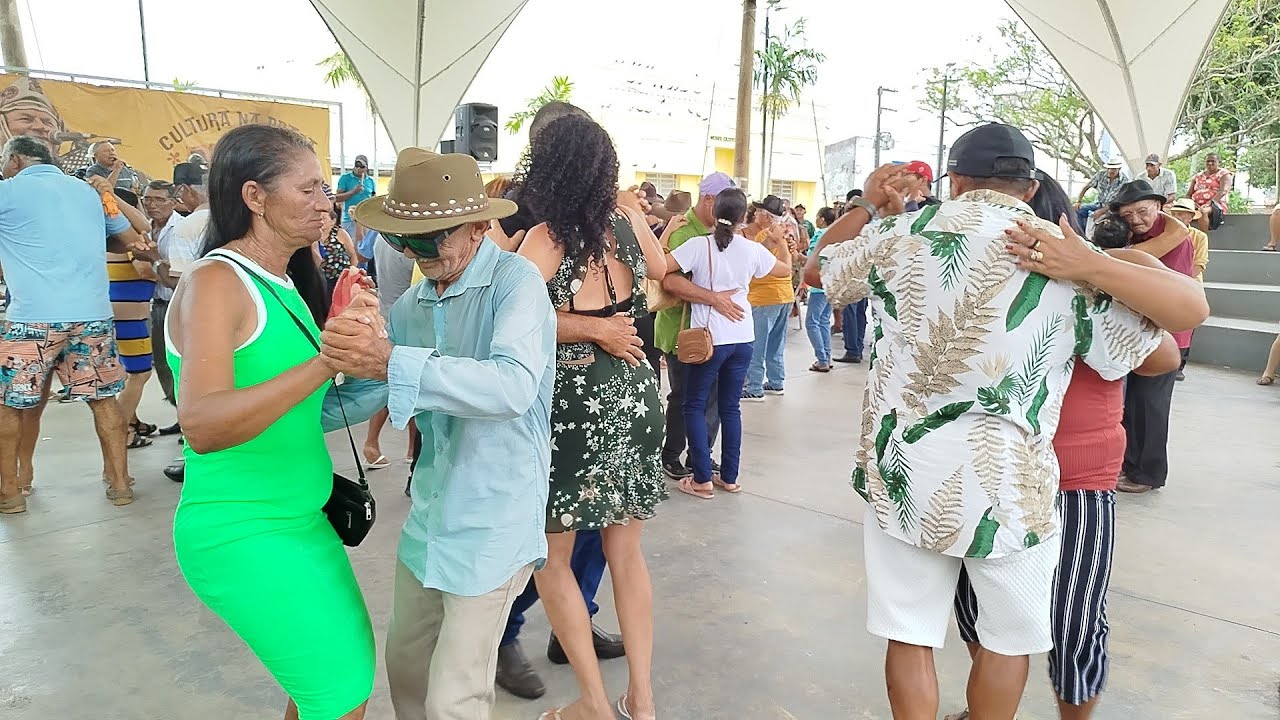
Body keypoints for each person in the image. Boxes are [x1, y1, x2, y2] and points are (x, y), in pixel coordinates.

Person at [807, 123, 1169, 720]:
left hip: (904, 470)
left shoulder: (901, 233)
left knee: (909, 632)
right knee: (1008, 640)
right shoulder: (1065, 257)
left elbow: (819, 271)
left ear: (954, 181)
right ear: (1031, 187)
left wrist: (870, 206)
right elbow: (1145, 354)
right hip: (1011, 479)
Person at [945, 174, 1206, 720]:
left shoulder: (1111, 267)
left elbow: (1166, 353)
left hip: (1073, 474)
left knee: (1073, 618)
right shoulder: (974, 268)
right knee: (980, 608)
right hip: (996, 465)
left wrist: (1089, 279)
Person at [314, 146, 556, 720]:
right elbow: (367, 392)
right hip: (430, 517)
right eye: (401, 240)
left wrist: (390, 360)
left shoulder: (516, 285)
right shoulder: (413, 304)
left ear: (477, 227)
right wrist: (315, 377)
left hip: (494, 517)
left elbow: (512, 387)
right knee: (406, 667)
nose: (412, 254)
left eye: (426, 241)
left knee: (455, 698)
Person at [166, 124, 376, 720]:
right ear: (255, 197)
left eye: (324, 188)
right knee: (339, 694)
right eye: (308, 189)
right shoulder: (216, 281)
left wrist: (360, 346)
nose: (326, 201)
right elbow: (202, 425)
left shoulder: (281, 281)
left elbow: (302, 406)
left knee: (328, 688)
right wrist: (326, 361)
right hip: (245, 530)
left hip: (301, 520)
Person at [515, 114, 668, 720]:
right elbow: (660, 273)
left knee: (553, 559)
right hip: (635, 391)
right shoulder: (627, 222)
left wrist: (586, 327)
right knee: (626, 554)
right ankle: (642, 697)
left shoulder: (544, 238)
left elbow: (518, 320)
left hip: (573, 406)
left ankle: (595, 704)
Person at [491, 102, 629, 703]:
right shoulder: (519, 213)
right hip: (546, 397)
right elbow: (506, 314)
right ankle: (503, 634)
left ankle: (574, 623)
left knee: (596, 528)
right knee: (544, 537)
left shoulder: (605, 213)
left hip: (610, 400)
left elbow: (649, 279)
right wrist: (595, 329)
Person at [0, 135, 147, 514]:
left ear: (15, 160)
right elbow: (127, 239)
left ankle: (10, 493)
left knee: (10, 403)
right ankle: (119, 484)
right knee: (103, 400)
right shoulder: (89, 192)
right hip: (92, 315)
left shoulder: (7, 192)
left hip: (31, 320)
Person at [663, 187, 791, 499]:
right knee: (730, 408)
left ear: (714, 210)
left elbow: (659, 268)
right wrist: (781, 242)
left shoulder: (698, 246)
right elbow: (785, 270)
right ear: (744, 216)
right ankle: (730, 477)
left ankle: (702, 479)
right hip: (743, 337)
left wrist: (667, 232)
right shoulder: (751, 249)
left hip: (710, 339)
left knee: (694, 405)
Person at [1110, 180, 1198, 492]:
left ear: (1159, 206)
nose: (1136, 219)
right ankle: (1130, 465)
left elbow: (1165, 289)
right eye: (1128, 214)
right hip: (1139, 332)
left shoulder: (1174, 240)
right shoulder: (1137, 235)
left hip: (1166, 333)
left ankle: (1147, 474)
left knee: (1151, 405)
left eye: (1142, 211)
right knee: (1133, 403)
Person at [653, 172, 735, 480]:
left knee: (712, 397)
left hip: (716, 332)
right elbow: (669, 281)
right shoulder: (684, 232)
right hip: (683, 330)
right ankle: (671, 453)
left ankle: (700, 456)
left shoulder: (723, 232)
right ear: (709, 200)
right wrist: (713, 297)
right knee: (685, 396)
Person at [160, 161, 213, 483]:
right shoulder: (233, 218)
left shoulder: (188, 226)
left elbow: (180, 282)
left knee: (193, 391)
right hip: (244, 317)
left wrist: (155, 266)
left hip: (195, 321)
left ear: (183, 190)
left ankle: (194, 460)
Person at [106, 188, 161, 450]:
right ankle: (121, 431)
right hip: (130, 318)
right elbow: (144, 269)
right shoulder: (130, 239)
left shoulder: (109, 238)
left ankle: (132, 421)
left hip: (117, 316)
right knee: (140, 375)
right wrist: (163, 268)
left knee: (130, 374)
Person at [741, 194, 792, 401]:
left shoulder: (763, 236)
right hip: (784, 295)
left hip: (764, 297)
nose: (756, 214)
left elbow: (752, 261)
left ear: (768, 216)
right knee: (776, 343)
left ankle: (754, 386)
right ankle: (776, 381)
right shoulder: (785, 235)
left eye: (760, 212)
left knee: (757, 344)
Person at [143, 179, 183, 430]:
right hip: (158, 304)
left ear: (173, 202)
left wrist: (153, 259)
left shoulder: (179, 230)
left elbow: (175, 280)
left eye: (159, 200)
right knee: (162, 363)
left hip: (177, 304)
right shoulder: (146, 228)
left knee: (181, 364)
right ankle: (181, 414)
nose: (152, 205)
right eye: (148, 199)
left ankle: (189, 419)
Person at [834, 191, 868, 363]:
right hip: (866, 274)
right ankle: (858, 347)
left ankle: (852, 350)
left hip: (852, 273)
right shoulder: (870, 225)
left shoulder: (850, 226)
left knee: (850, 313)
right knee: (860, 313)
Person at [804, 206, 838, 372]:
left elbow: (811, 258)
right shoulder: (836, 234)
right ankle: (826, 357)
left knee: (812, 322)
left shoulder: (819, 236)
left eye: (818, 216)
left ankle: (822, 359)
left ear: (822, 219)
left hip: (818, 285)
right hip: (831, 283)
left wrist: (799, 257)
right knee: (824, 320)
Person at [336, 154, 378, 267]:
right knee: (352, 251)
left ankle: (363, 273)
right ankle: (352, 271)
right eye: (356, 165)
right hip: (349, 220)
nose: (358, 168)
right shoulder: (345, 178)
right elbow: (337, 198)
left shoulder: (370, 181)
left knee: (365, 250)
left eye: (361, 166)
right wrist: (353, 192)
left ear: (366, 167)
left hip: (366, 221)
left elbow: (373, 198)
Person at [315, 204, 357, 308]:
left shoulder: (340, 233)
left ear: (333, 221)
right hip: (322, 278)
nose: (321, 221)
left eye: (324, 218)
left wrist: (350, 273)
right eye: (319, 218)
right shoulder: (315, 235)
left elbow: (353, 255)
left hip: (340, 278)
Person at [1075, 158, 1127, 230]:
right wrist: (1078, 201)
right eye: (1109, 168)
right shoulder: (1100, 175)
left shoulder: (1124, 181)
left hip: (1113, 209)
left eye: (1113, 169)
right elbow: (1087, 187)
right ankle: (1081, 232)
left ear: (1119, 169)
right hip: (1099, 204)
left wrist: (1103, 211)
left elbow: (1119, 200)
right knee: (1079, 211)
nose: (1110, 171)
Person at [1188, 152, 1232, 232]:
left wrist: (1209, 203)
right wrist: (1191, 203)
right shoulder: (1198, 176)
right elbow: (1188, 194)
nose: (1210, 163)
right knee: (1179, 211)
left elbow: (1223, 191)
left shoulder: (1224, 174)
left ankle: (1203, 237)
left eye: (1213, 161)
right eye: (1208, 161)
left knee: (1202, 211)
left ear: (1219, 162)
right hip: (1196, 204)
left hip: (1215, 204)